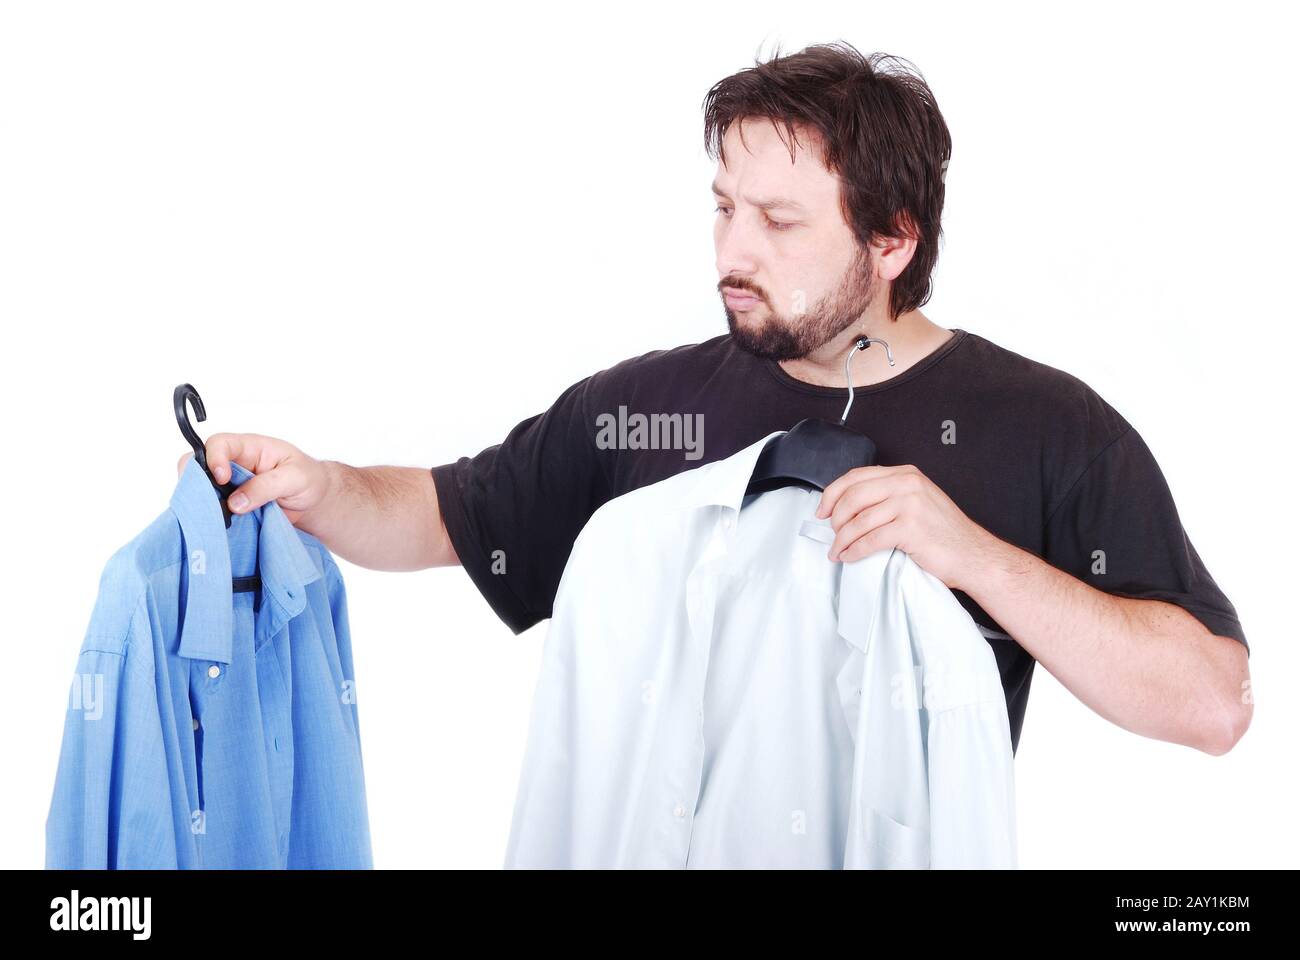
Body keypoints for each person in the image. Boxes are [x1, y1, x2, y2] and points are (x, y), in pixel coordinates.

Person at [179, 42, 1250, 757]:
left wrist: (967, 554)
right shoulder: (652, 405)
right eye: (724, 207)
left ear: (892, 239)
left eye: (779, 223)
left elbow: (1211, 704)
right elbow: (443, 516)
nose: (734, 253)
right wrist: (316, 486)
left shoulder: (1051, 430)